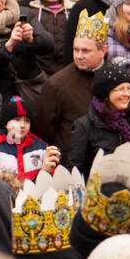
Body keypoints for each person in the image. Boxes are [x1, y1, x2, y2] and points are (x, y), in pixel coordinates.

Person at [34, 12, 107, 155]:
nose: (79, 56)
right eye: (76, 50)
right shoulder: (57, 84)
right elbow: (42, 132)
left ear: (102, 51)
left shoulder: (115, 79)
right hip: (70, 165)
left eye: (86, 51)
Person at [66, 59, 130, 176]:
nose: (127, 94)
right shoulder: (85, 126)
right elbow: (75, 170)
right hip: (98, 191)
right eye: (121, 89)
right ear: (105, 94)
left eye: (129, 88)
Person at [0, 95, 57, 180]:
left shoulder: (42, 148)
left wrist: (45, 172)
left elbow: (52, 180)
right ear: (6, 124)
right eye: (16, 120)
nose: (22, 125)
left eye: (27, 121)